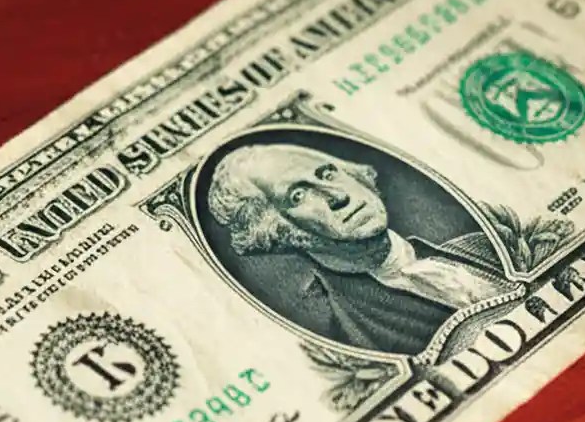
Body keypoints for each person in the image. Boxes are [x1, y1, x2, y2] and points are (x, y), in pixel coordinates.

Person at [207, 143, 511, 355]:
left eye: (327, 174)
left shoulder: (484, 246)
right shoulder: (353, 335)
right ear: (276, 229)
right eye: (298, 195)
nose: (337, 195)